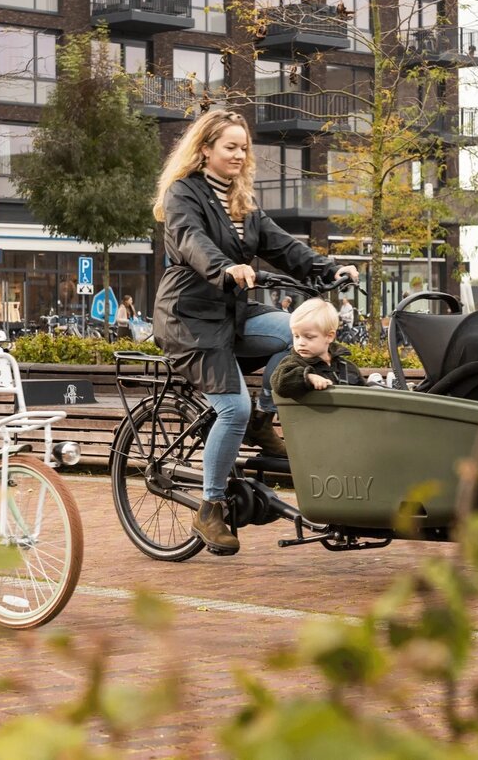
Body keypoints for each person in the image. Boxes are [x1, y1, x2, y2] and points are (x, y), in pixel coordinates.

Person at [152, 109, 357, 555]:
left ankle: (263, 416)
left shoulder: (243, 203)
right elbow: (191, 241)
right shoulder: (182, 195)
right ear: (204, 149)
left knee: (293, 331)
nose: (240, 155)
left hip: (233, 315)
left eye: (244, 148)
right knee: (231, 410)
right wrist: (225, 267)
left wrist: (328, 268)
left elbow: (283, 245)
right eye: (231, 147)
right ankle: (211, 508)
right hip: (189, 320)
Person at [271, 299, 366, 399]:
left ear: (329, 336)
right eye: (296, 336)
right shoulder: (293, 363)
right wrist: (307, 377)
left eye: (309, 337)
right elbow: (279, 383)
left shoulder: (347, 367)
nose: (301, 343)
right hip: (307, 414)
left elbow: (365, 396)